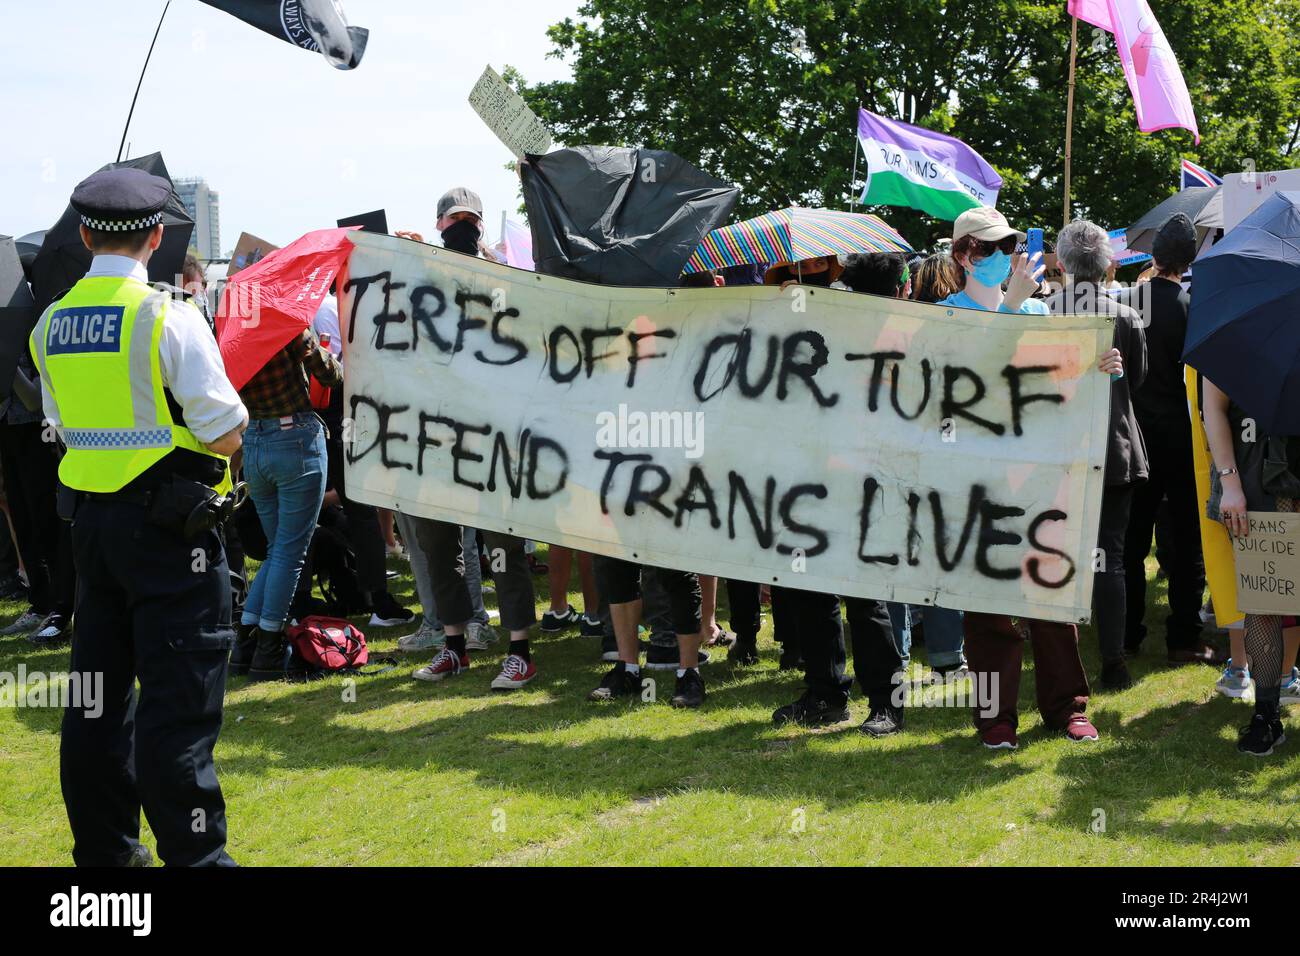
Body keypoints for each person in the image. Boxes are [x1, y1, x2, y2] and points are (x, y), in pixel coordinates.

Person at [29, 168, 247, 865]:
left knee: (95, 704)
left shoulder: (51, 321)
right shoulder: (167, 314)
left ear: (86, 233)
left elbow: (59, 423)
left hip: (90, 533)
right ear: (156, 237)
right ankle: (197, 860)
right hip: (169, 533)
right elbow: (225, 430)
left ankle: (108, 859)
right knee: (176, 710)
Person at [940, 207, 1123, 748]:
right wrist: (1012, 309)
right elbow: (966, 386)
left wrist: (1099, 369)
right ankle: (995, 718)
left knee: (1050, 593)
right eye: (984, 248)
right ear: (961, 254)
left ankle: (1067, 707)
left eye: (1006, 246)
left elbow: (1061, 388)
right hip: (976, 482)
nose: (998, 257)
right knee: (990, 604)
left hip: (1041, 478)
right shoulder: (942, 315)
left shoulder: (1044, 312)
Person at [398, 188, 538, 690]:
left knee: (503, 544)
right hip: (438, 432)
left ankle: (519, 647)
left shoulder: (505, 275)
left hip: (495, 433)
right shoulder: (423, 270)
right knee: (439, 542)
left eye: (472, 219)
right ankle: (453, 644)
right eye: (456, 220)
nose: (465, 227)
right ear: (439, 225)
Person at [1046, 220, 1149, 691]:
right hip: (1112, 446)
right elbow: (1137, 383)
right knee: (1111, 555)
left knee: (1057, 551)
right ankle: (1113, 661)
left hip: (1063, 450)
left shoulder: (1046, 313)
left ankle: (1069, 659)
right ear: (1107, 264)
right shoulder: (1126, 317)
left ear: (1063, 263)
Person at [1115, 214, 1212, 665]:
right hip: (1182, 438)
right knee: (1186, 540)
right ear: (1188, 260)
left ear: (1154, 256)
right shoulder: (1196, 306)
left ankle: (1128, 632)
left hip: (1134, 435)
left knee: (1131, 542)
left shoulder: (1127, 302)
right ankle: (1183, 638)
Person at [237, 278, 342, 678]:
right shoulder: (286, 319)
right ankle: (266, 647)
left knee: (278, 549)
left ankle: (245, 641)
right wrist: (329, 353)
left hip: (255, 445)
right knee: (289, 551)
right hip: (295, 440)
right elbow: (329, 375)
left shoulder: (232, 331)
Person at [1201, 376, 1299, 755]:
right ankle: (1266, 715)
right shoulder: (1240, 327)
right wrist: (1229, 483)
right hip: (1256, 482)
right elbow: (1214, 407)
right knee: (1266, 601)